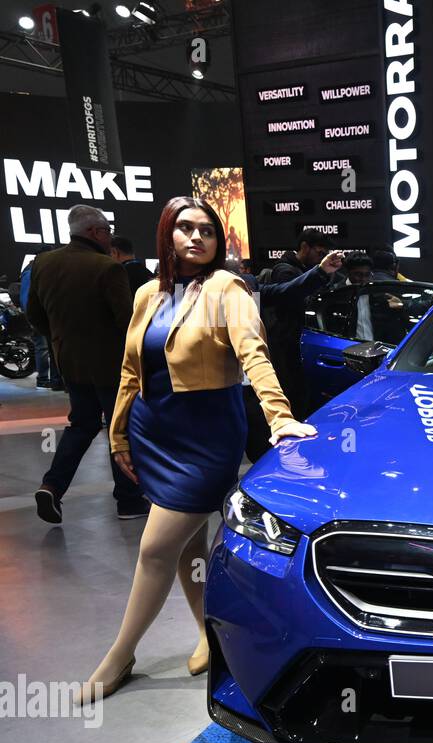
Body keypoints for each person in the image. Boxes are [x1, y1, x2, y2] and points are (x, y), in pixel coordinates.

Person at [81, 196, 318, 703]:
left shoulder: (226, 288)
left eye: (206, 230)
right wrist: (119, 434)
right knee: (189, 544)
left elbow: (255, 352)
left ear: (218, 240)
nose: (196, 238)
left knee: (153, 549)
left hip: (205, 441)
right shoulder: (147, 292)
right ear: (167, 234)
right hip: (153, 432)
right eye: (185, 228)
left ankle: (120, 655)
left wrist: (279, 417)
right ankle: (207, 637)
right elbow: (130, 369)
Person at [26, 205, 148, 522]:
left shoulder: (44, 264)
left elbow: (35, 316)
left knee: (82, 425)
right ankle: (129, 501)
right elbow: (127, 323)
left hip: (71, 365)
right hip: (111, 368)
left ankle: (52, 486)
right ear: (94, 233)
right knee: (119, 430)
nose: (110, 237)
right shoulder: (107, 268)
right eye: (107, 230)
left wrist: (62, 341)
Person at [259, 229, 332, 419]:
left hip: (296, 343)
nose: (321, 258)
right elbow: (292, 296)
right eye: (319, 253)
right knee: (292, 398)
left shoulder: (302, 271)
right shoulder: (285, 270)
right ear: (304, 247)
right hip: (285, 345)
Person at [21, 244, 62, 389]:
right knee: (43, 348)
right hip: (38, 317)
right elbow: (27, 297)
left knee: (50, 348)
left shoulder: (39, 269)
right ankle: (43, 379)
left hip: (47, 316)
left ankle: (54, 379)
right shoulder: (31, 271)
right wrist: (32, 317)